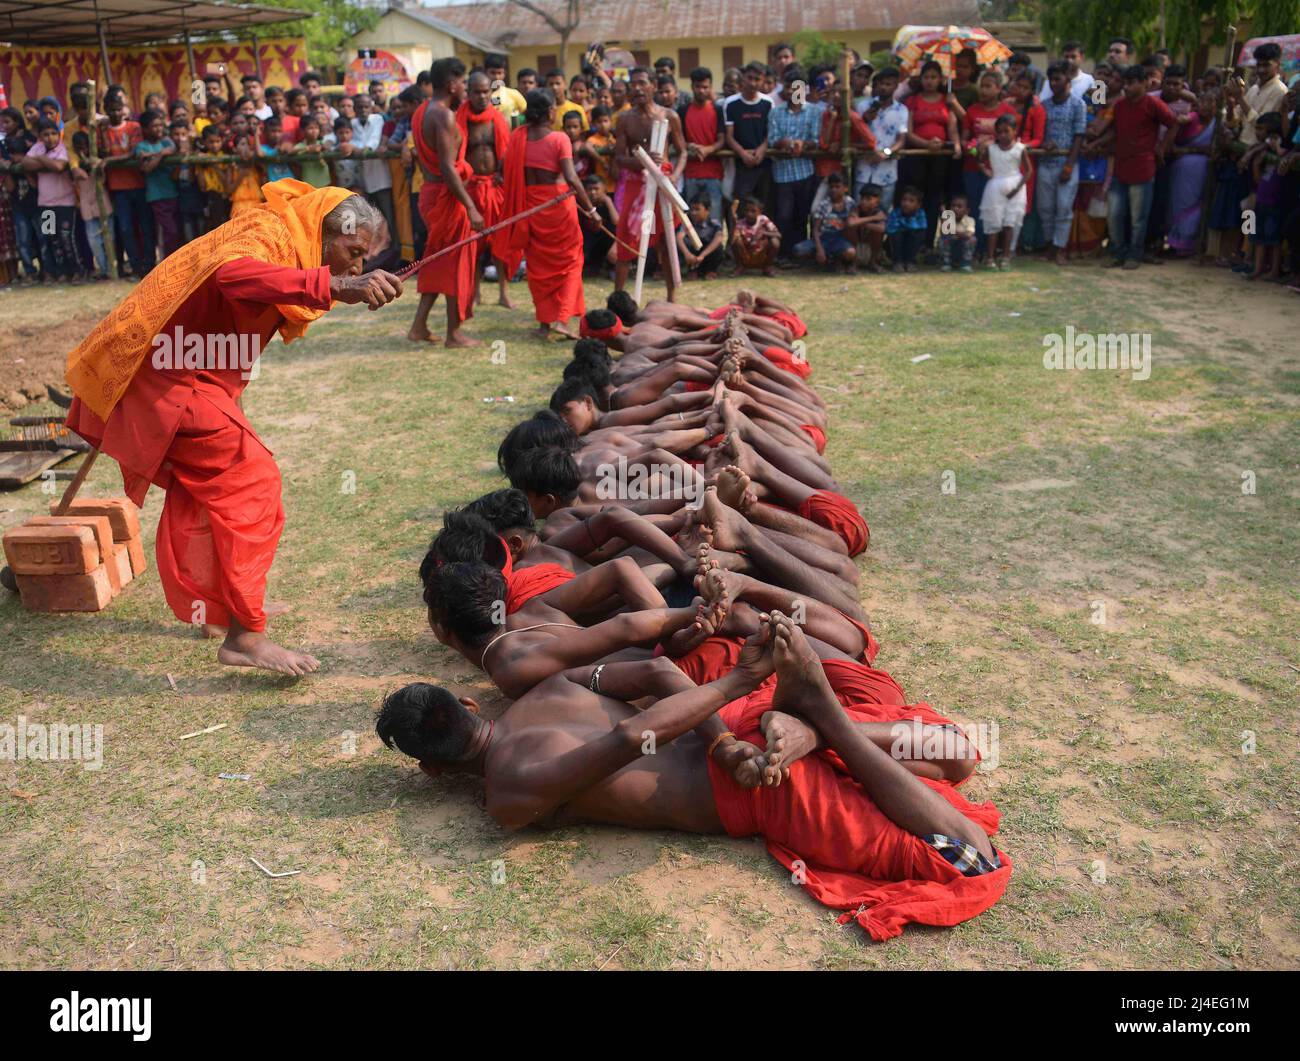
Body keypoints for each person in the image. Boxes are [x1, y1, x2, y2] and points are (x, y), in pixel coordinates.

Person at [378, 614, 1010, 941]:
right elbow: (653, 679)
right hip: (743, 732)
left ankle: (821, 724)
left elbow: (630, 738)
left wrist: (731, 720)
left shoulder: (508, 796)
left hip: (755, 780)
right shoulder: (545, 688)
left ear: (432, 768)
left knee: (973, 864)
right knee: (954, 752)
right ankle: (815, 723)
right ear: (466, 705)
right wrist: (728, 726)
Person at [64, 183, 403, 674]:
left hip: (187, 370)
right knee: (254, 480)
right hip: (161, 372)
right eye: (352, 254)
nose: (355, 268)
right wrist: (332, 286)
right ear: (325, 231)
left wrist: (336, 283)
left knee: (209, 490)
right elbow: (232, 277)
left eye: (362, 260)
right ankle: (246, 637)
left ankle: (221, 610)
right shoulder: (267, 231)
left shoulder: (289, 240)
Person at [496, 89, 600, 340]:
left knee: (538, 267)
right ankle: (562, 320)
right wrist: (591, 209)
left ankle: (545, 324)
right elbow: (572, 176)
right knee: (571, 262)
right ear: (549, 112)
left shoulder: (517, 137)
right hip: (557, 207)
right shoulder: (559, 139)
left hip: (531, 208)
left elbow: (504, 167)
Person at [409, 57, 484, 346]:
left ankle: (419, 326)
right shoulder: (442, 115)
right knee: (454, 263)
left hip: (434, 193)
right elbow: (448, 168)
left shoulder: (422, 111)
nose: (465, 87)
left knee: (440, 261)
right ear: (451, 84)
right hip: (446, 197)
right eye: (463, 82)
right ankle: (454, 334)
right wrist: (471, 206)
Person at [612, 66, 686, 300]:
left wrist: (674, 175)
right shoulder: (624, 119)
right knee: (627, 241)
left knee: (666, 242)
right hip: (636, 185)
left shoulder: (669, 116)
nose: (637, 88)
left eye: (642, 83)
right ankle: (619, 299)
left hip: (662, 185)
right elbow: (619, 158)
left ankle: (671, 297)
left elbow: (683, 152)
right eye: (633, 84)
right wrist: (641, 160)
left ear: (653, 85)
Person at [1106, 65, 1177, 270]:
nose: (1126, 87)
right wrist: (1094, 144)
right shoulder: (1119, 106)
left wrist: (1163, 148)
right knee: (1115, 215)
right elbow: (1114, 132)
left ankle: (1134, 255)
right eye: (1125, 83)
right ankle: (1118, 253)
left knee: (1138, 218)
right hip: (1121, 167)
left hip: (1143, 168)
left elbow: (1173, 123)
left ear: (1144, 83)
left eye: (1131, 83)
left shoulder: (1153, 104)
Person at [458, 70, 515, 310]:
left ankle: (504, 292)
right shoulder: (460, 121)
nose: (482, 96)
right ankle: (476, 292)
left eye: (486, 91)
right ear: (468, 93)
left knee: (500, 240)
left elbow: (506, 152)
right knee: (473, 244)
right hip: (471, 189)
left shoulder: (497, 120)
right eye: (477, 92)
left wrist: (502, 172)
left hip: (494, 188)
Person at [767, 66, 824, 262]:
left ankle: (799, 254)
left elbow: (816, 140)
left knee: (802, 215)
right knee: (783, 216)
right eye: (790, 88)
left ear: (805, 89)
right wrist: (788, 143)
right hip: (782, 173)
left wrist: (803, 144)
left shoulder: (815, 112)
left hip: (805, 171)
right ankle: (783, 254)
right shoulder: (775, 113)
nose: (794, 92)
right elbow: (773, 139)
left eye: (798, 88)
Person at [903, 61, 960, 249]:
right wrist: (927, 144)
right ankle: (915, 244)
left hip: (942, 157)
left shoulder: (948, 100)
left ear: (941, 79)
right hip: (917, 156)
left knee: (942, 200)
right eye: (926, 77)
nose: (929, 81)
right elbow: (908, 132)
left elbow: (952, 127)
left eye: (934, 77)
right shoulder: (912, 100)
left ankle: (945, 245)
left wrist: (955, 144)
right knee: (917, 199)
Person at [1037, 61, 1088, 265]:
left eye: (1058, 79)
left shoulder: (1078, 104)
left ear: (1068, 79)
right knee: (1045, 208)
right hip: (1045, 163)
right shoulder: (1044, 106)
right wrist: (1043, 144)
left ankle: (1060, 248)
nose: (1054, 83)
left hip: (1067, 163)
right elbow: (1038, 133)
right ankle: (1049, 245)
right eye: (1051, 79)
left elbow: (1079, 136)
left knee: (1064, 208)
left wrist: (1069, 165)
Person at [99, 91, 154, 278]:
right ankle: (136, 266)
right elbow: (101, 153)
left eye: (118, 109)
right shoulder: (102, 132)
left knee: (145, 227)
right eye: (111, 110)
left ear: (124, 109)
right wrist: (105, 159)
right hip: (118, 188)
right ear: (105, 110)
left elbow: (134, 152)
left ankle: (150, 264)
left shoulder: (134, 127)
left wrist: (109, 161)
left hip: (138, 185)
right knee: (125, 229)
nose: (115, 113)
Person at [23, 119, 78, 282]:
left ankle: (75, 271)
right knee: (51, 239)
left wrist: (40, 159)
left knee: (67, 238)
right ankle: (59, 272)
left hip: (65, 203)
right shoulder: (38, 147)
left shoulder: (62, 148)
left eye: (53, 133)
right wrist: (45, 160)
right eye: (45, 134)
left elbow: (59, 167)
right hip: (45, 204)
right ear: (40, 136)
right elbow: (25, 163)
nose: (50, 138)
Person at [979, 115, 1030, 270]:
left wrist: (1017, 188)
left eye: (1007, 131)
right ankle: (990, 257)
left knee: (1009, 223)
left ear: (1014, 131)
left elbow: (1028, 171)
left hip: (1016, 185)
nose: (1003, 135)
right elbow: (981, 161)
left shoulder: (1020, 149)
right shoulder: (991, 148)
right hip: (995, 186)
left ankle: (1006, 256)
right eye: (999, 132)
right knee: (994, 223)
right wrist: (986, 171)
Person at [854, 67, 908, 211]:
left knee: (882, 214)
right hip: (863, 170)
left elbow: (901, 140)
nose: (884, 88)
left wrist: (885, 153)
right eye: (881, 84)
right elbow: (853, 135)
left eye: (888, 84)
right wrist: (864, 119)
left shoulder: (902, 110)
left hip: (887, 172)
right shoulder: (862, 106)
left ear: (896, 86)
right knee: (859, 210)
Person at [133, 108, 181, 259]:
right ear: (145, 129)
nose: (159, 128)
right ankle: (167, 261)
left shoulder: (167, 142)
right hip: (157, 196)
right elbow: (147, 168)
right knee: (167, 231)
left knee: (175, 231)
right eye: (154, 126)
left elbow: (173, 150)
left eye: (161, 125)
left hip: (173, 192)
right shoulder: (142, 146)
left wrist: (153, 156)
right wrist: (160, 154)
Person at [725, 63, 773, 207]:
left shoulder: (768, 103)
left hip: (763, 163)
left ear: (763, 80)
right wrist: (742, 153)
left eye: (757, 79)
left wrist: (762, 149)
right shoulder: (731, 103)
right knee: (740, 207)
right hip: (740, 165)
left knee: (763, 207)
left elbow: (771, 132)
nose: (752, 83)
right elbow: (729, 136)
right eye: (749, 78)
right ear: (743, 78)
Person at [681, 68, 725, 224]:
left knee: (714, 219)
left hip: (713, 173)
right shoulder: (683, 110)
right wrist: (690, 146)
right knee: (692, 221)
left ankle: (715, 249)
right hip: (691, 174)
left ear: (710, 87)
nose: (701, 90)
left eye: (705, 87)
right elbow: (678, 140)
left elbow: (722, 140)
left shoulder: (718, 110)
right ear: (692, 87)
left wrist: (708, 149)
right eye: (698, 87)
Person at [730, 195, 780, 275]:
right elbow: (733, 240)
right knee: (736, 240)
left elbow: (778, 234)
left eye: (753, 211)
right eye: (747, 210)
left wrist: (763, 233)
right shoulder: (740, 223)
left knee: (775, 241)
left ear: (760, 211)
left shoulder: (764, 220)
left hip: (761, 253)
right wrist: (734, 224)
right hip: (747, 254)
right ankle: (740, 266)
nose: (749, 214)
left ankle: (767, 267)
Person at [678, 194, 724, 278]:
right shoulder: (687, 222)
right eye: (692, 210)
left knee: (718, 247)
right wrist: (687, 254)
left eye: (697, 210)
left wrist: (702, 255)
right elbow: (679, 237)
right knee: (686, 242)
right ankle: (692, 270)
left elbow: (719, 238)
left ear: (707, 210)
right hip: (693, 255)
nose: (694, 213)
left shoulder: (714, 222)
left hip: (706, 255)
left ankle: (711, 270)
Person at [846, 183, 887, 271]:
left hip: (871, 244)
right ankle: (854, 262)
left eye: (868, 199)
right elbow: (851, 223)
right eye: (862, 198)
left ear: (877, 201)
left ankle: (873, 262)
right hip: (856, 244)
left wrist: (862, 223)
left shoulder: (880, 210)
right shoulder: (857, 208)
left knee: (877, 231)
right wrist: (873, 218)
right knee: (850, 228)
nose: (863, 202)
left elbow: (882, 228)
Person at [886, 185, 926, 271]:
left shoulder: (920, 213)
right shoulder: (896, 212)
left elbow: (922, 226)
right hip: (898, 241)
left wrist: (904, 226)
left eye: (911, 201)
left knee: (918, 234)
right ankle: (897, 262)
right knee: (896, 234)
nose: (906, 203)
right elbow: (890, 228)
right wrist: (907, 228)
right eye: (904, 200)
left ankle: (910, 262)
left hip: (911, 240)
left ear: (918, 205)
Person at [938, 192, 976, 272]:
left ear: (967, 210)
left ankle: (965, 264)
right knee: (943, 239)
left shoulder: (970, 220)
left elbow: (969, 234)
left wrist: (954, 232)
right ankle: (946, 263)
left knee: (972, 240)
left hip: (962, 249)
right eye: (953, 206)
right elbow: (944, 232)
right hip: (951, 249)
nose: (955, 209)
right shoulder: (948, 219)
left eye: (959, 206)